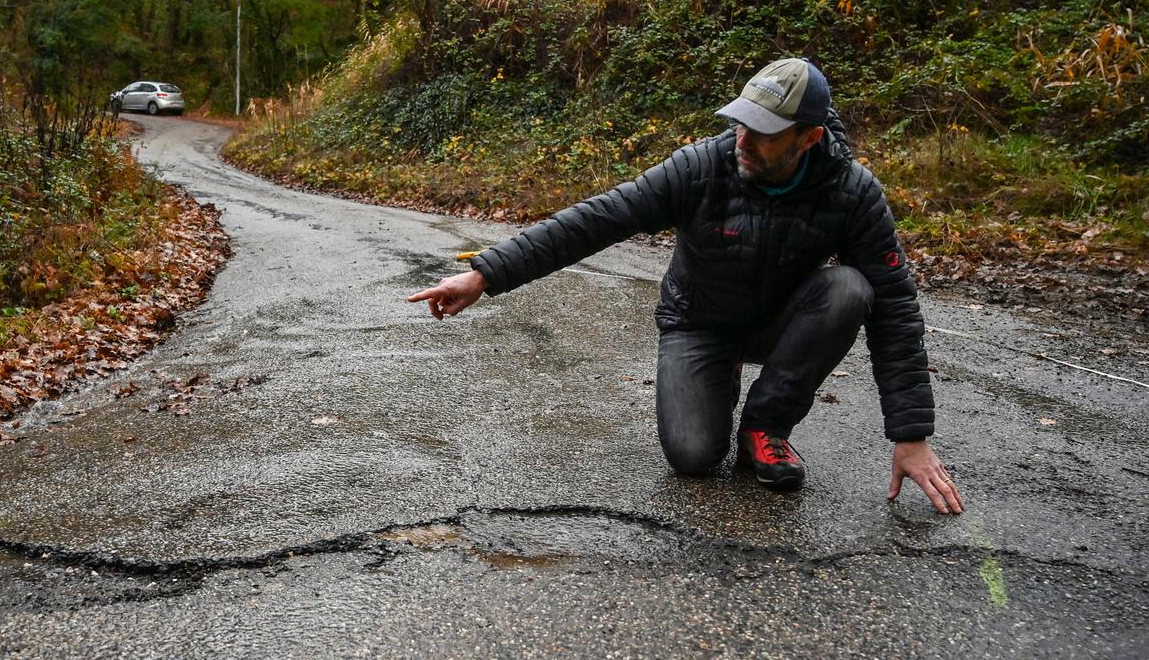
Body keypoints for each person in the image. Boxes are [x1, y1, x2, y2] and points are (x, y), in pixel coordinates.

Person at [408, 57, 965, 514]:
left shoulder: (851, 193)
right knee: (694, 457)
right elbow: (597, 219)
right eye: (742, 121)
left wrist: (910, 435)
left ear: (809, 137)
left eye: (765, 133)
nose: (743, 139)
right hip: (698, 322)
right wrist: (486, 272)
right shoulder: (702, 167)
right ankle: (713, 383)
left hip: (780, 322)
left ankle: (765, 425)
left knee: (851, 289)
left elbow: (896, 310)